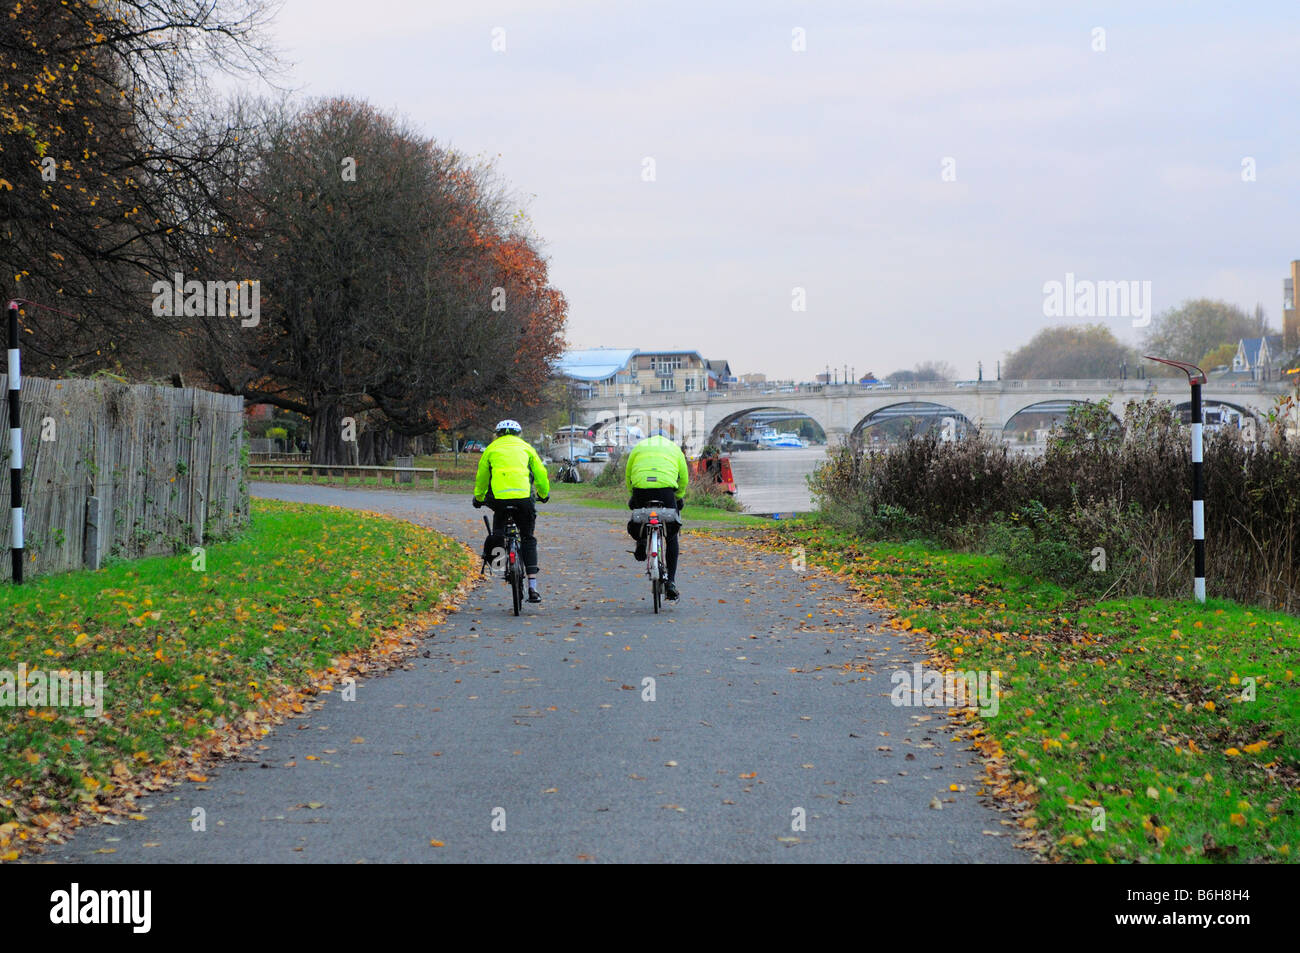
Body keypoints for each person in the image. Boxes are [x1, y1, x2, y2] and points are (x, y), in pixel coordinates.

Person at [473, 420, 550, 603]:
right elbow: (540, 474)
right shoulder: (527, 448)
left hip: (499, 500)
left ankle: (498, 562)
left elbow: (482, 477)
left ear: (498, 434)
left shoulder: (490, 449)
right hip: (524, 500)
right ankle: (533, 588)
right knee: (528, 538)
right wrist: (543, 494)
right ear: (519, 433)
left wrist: (479, 497)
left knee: (498, 530)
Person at [625, 429, 689, 600]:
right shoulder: (674, 448)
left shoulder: (639, 447)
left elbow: (628, 474)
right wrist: (679, 496)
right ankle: (671, 582)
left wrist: (632, 492)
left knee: (640, 514)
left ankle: (641, 541)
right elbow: (683, 477)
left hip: (641, 490)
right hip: (666, 492)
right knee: (671, 535)